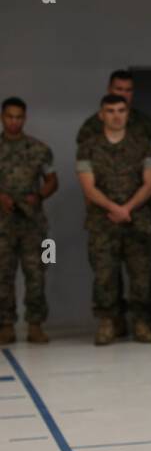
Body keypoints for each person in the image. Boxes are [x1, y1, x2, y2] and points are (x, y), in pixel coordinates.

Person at [76, 94, 151, 346]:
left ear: (127, 113)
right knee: (104, 275)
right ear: (101, 115)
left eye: (121, 110)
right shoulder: (88, 147)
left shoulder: (142, 144)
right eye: (110, 111)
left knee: (141, 275)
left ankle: (141, 322)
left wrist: (128, 208)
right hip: (103, 222)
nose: (116, 115)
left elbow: (150, 184)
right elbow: (89, 188)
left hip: (138, 220)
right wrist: (114, 208)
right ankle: (107, 323)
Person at [0, 97, 57, 345]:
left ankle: (35, 325)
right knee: (3, 276)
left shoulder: (39, 149)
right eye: (10, 116)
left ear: (25, 118)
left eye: (19, 117)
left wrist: (39, 196)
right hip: (3, 225)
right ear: (2, 117)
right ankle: (5, 325)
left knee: (37, 274)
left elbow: (53, 180)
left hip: (33, 225)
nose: (14, 122)